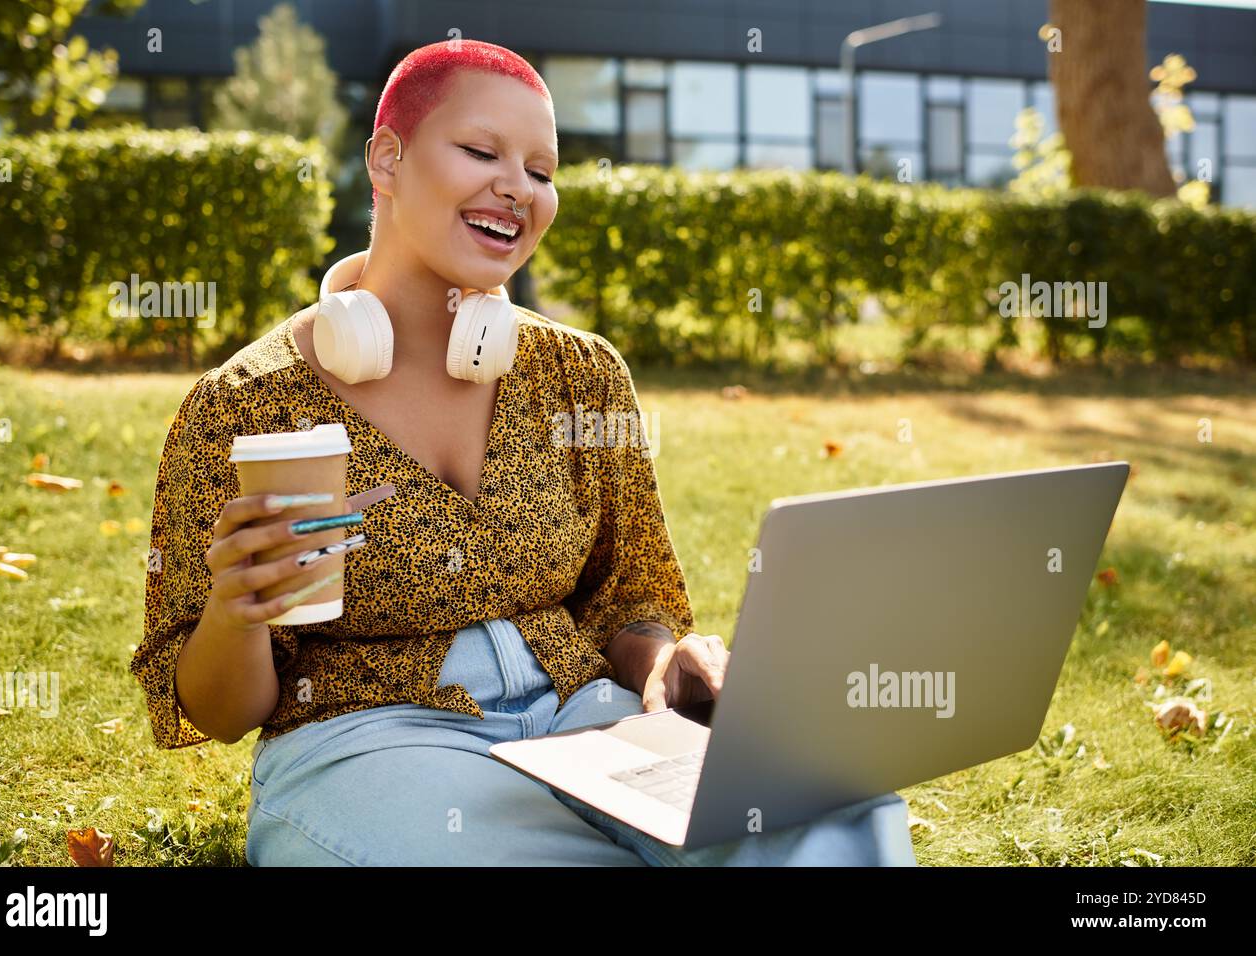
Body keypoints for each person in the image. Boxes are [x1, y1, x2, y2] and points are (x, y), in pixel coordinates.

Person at [130, 39, 917, 867]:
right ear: (387, 160)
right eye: (480, 151)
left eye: (541, 170)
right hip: (373, 744)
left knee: (834, 807)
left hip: (591, 716)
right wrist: (237, 610)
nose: (517, 187)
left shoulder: (582, 375)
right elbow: (217, 711)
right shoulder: (244, 403)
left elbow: (630, 600)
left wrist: (662, 664)